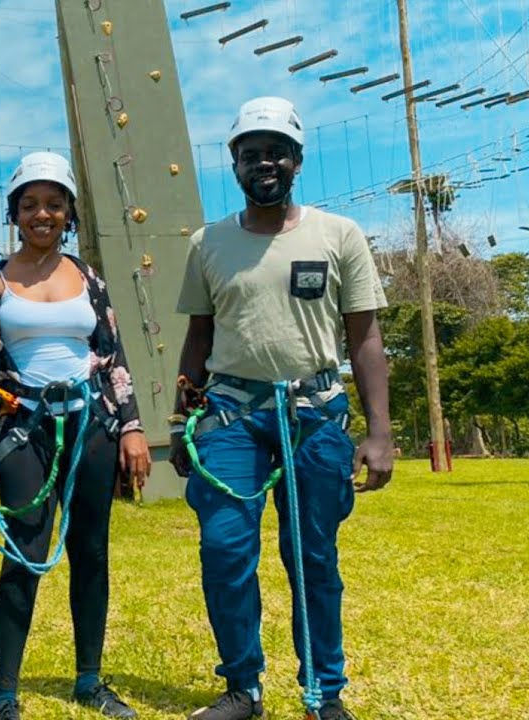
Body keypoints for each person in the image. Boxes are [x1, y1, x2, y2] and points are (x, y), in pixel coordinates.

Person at [169, 97, 393, 720]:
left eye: (274, 152)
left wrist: (380, 432)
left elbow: (365, 337)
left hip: (313, 414)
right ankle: (243, 686)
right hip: (230, 416)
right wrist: (178, 421)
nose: (262, 163)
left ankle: (325, 690)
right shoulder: (208, 242)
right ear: (234, 166)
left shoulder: (338, 235)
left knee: (313, 554)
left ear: (296, 160)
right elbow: (198, 336)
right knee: (224, 549)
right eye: (249, 155)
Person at [0, 152, 152, 720]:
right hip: (22, 428)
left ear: (68, 212)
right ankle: (4, 694)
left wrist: (132, 428)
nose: (42, 213)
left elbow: (113, 355)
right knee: (26, 548)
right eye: (29, 204)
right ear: (14, 213)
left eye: (53, 203)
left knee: (91, 550)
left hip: (91, 424)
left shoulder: (88, 279)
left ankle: (89, 680)